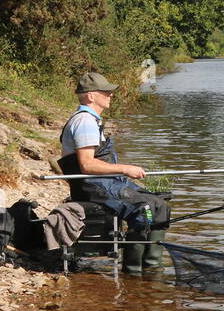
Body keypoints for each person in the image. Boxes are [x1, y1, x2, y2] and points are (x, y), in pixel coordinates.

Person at [57, 72, 169, 272]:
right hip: (93, 186)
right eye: (106, 92)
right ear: (91, 96)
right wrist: (125, 168)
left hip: (106, 182)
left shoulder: (91, 119)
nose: (111, 95)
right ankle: (134, 272)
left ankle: (152, 268)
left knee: (159, 202)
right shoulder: (85, 122)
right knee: (145, 208)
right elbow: (87, 166)